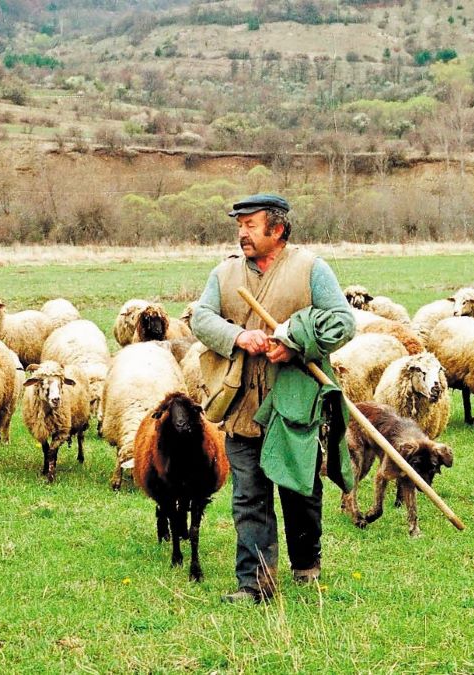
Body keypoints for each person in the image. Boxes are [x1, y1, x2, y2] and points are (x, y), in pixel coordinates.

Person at [191, 193, 355, 604]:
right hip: (243, 406)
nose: (242, 232)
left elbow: (342, 321)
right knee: (249, 498)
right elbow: (201, 317)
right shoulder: (225, 274)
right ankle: (255, 583)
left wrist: (296, 343)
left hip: (294, 404)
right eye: (239, 225)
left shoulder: (311, 269)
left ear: (277, 228)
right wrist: (237, 336)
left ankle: (306, 567)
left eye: (250, 224)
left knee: (299, 490)